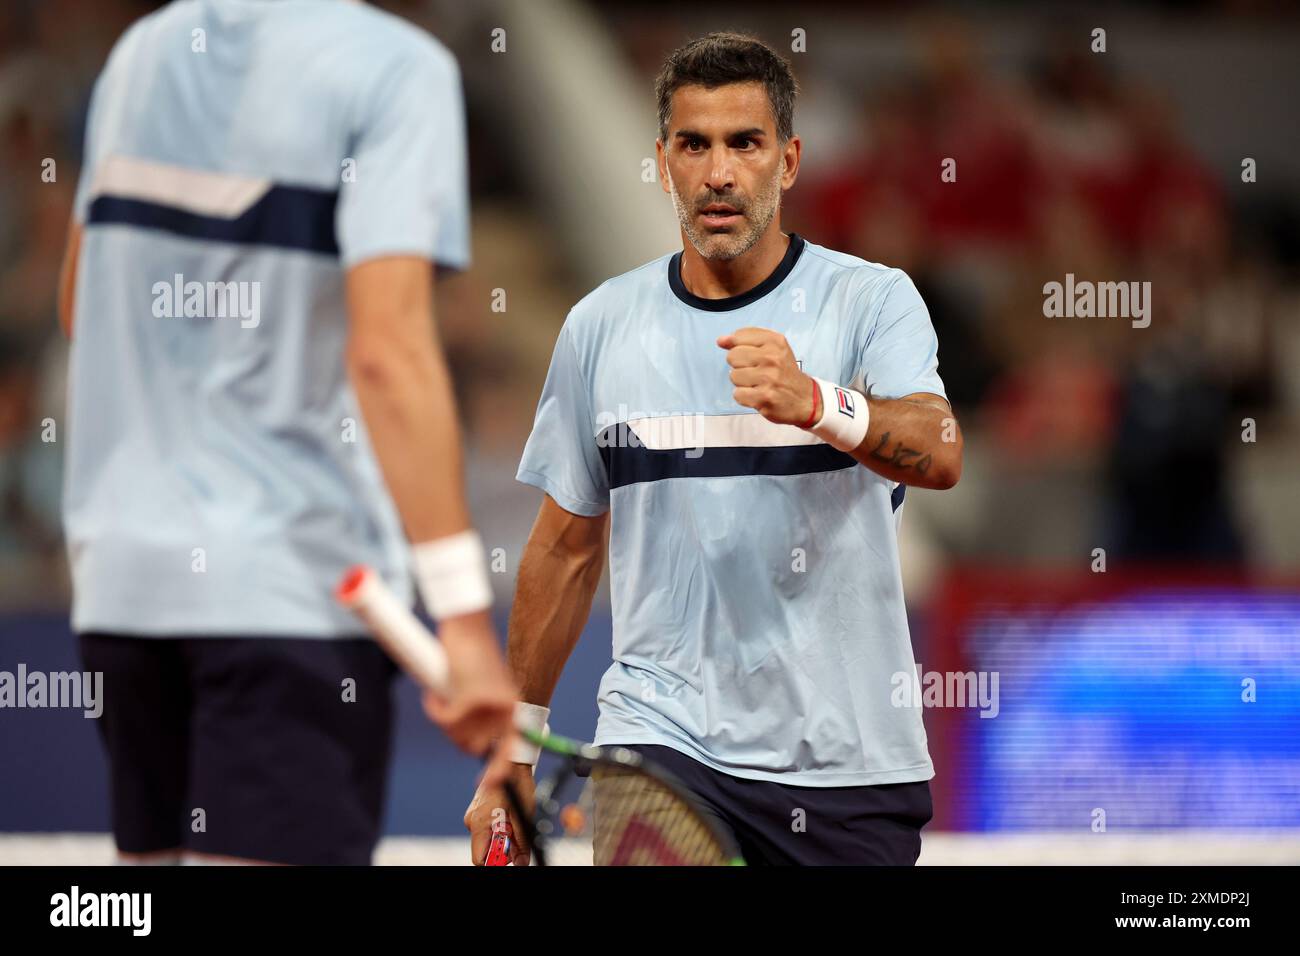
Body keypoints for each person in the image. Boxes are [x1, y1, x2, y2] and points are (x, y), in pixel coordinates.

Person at [465, 32, 963, 866]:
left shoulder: (872, 301)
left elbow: (941, 451)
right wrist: (514, 749)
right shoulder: (600, 327)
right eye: (694, 145)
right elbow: (565, 545)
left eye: (745, 143)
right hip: (661, 746)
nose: (719, 173)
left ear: (790, 160)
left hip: (848, 767)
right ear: (663, 161)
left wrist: (819, 404)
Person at [56, 0, 515, 866]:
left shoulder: (139, 54)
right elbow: (389, 353)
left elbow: (82, 304)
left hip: (121, 589)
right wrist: (460, 617)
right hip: (290, 595)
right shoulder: (397, 68)